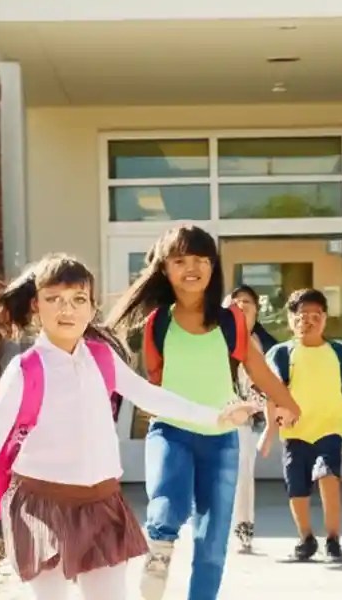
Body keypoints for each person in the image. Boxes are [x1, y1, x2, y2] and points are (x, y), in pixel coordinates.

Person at [0, 253, 258, 600]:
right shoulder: (25, 370)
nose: (66, 310)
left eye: (78, 300)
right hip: (41, 507)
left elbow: (153, 397)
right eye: (53, 299)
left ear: (92, 308)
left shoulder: (101, 358)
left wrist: (217, 416)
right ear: (36, 306)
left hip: (102, 505)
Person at [107, 225, 301, 600]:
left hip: (223, 441)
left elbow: (258, 369)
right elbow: (156, 379)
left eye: (200, 259)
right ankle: (159, 552)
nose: (191, 267)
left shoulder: (231, 321)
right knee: (167, 506)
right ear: (164, 268)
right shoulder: (157, 323)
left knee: (212, 540)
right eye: (180, 260)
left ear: (213, 267)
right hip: (171, 432)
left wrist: (289, 403)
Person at [259, 288, 342, 563]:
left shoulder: (339, 352)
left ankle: (333, 540)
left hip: (331, 427)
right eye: (302, 315)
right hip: (295, 432)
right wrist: (270, 430)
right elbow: (272, 391)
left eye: (315, 315)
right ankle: (306, 539)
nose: (308, 321)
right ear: (291, 319)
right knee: (297, 488)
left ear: (325, 319)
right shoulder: (280, 353)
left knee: (329, 478)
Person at [228, 284, 280, 553]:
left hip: (242, 420)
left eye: (246, 301)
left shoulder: (263, 344)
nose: (240, 305)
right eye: (235, 301)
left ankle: (243, 527)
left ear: (256, 310)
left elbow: (270, 386)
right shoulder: (217, 337)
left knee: (243, 474)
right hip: (212, 416)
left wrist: (254, 410)